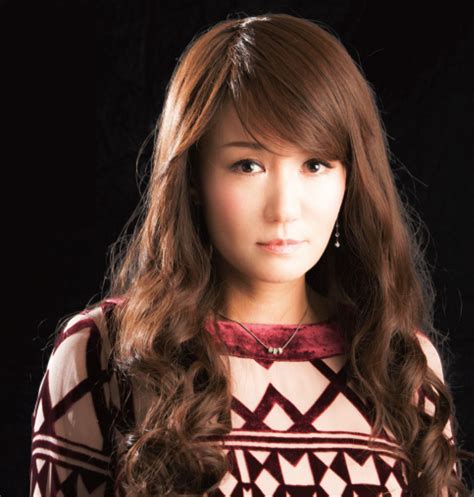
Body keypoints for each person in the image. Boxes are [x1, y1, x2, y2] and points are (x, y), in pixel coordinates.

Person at [29, 12, 474, 497]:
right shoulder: (105, 354)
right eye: (248, 165)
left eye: (315, 164)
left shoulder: (401, 366)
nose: (285, 209)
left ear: (351, 177)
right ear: (194, 178)